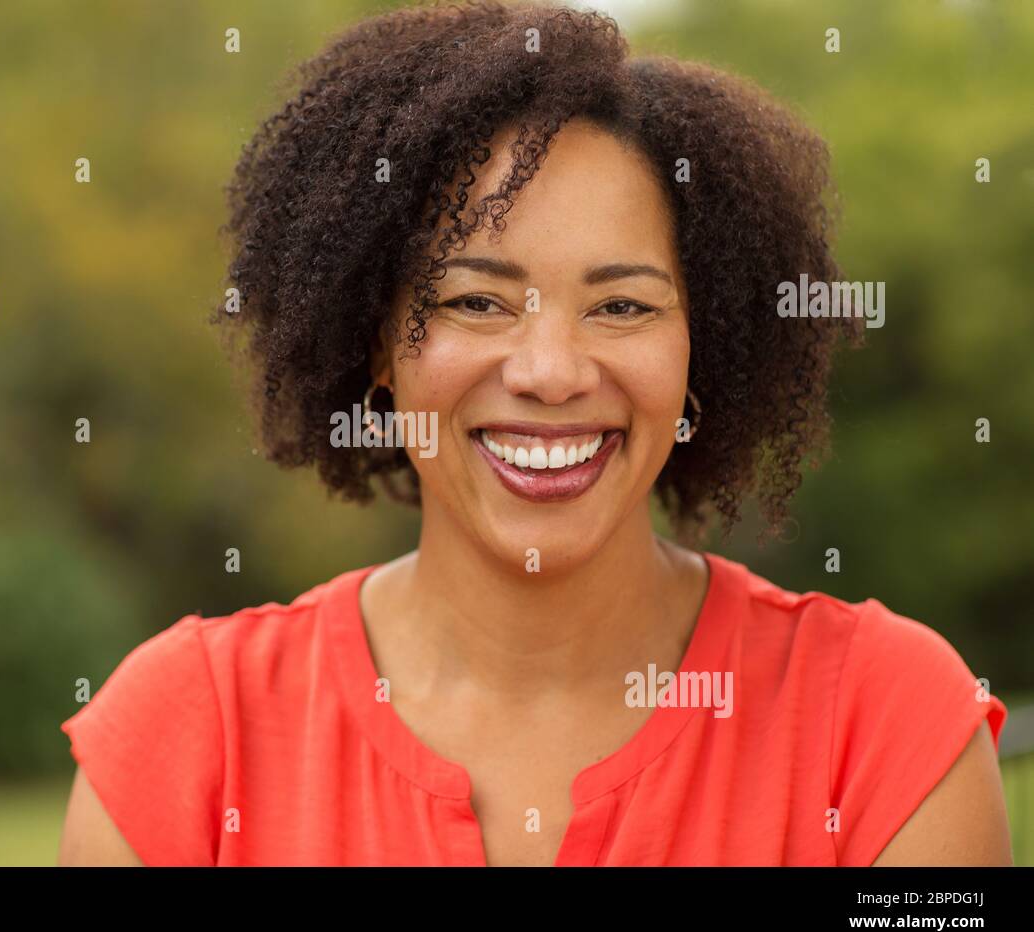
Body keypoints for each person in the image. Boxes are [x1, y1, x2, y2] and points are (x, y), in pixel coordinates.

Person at [59, 1, 1010, 866]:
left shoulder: (883, 730)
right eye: (477, 299)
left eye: (623, 307)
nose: (551, 371)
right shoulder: (189, 737)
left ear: (701, 347)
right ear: (375, 341)